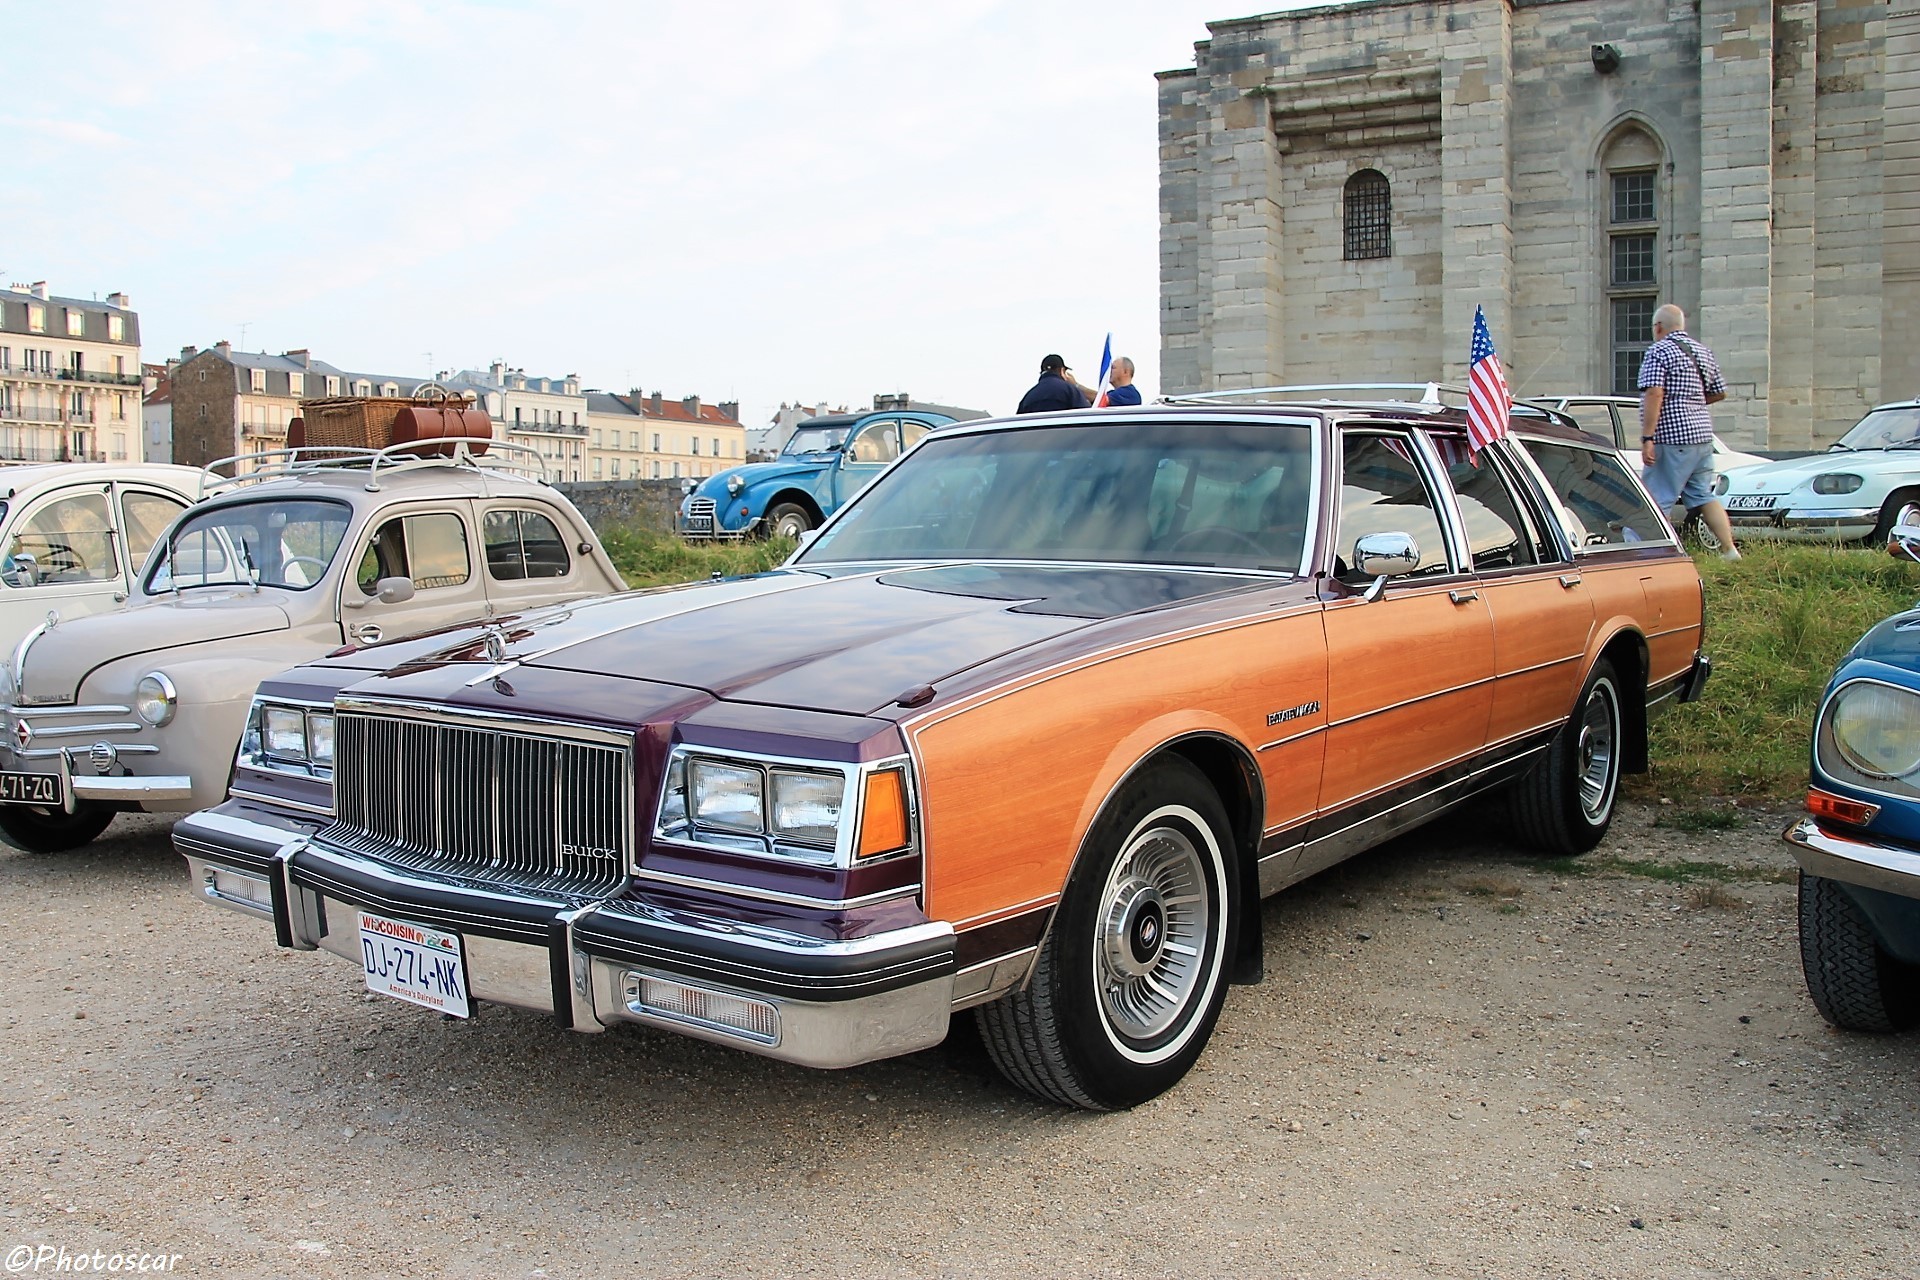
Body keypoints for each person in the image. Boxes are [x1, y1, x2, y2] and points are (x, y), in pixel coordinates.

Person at [1637, 303, 1740, 560]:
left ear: (1658, 327)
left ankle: (1654, 554)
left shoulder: (1659, 351)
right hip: (1703, 437)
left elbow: (1654, 392)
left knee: (1655, 499)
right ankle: (1729, 549)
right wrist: (1691, 402)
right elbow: (1720, 391)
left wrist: (1648, 437)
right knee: (1703, 495)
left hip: (1672, 438)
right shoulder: (1703, 352)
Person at [1017, 354, 1091, 414]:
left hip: (1037, 432)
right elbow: (1087, 415)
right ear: (1062, 371)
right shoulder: (1071, 390)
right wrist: (1076, 385)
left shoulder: (1028, 397)